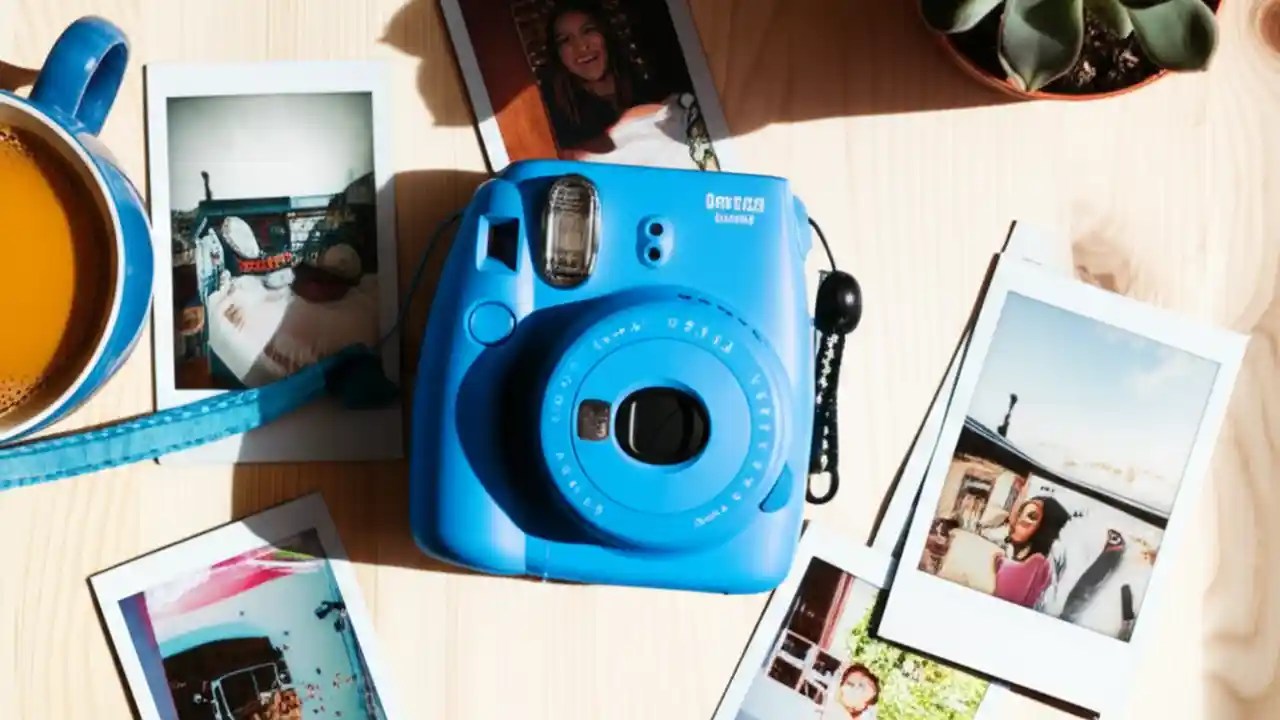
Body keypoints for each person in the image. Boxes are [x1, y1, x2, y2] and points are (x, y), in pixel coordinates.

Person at [538, 0, 669, 157]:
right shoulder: (556, 114)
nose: (581, 47)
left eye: (588, 31)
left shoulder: (647, 80)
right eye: (565, 40)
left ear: (606, 34)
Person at [989, 495, 1071, 608]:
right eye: (1020, 514)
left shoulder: (1045, 563)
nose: (1020, 520)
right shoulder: (1011, 551)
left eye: (1032, 516)